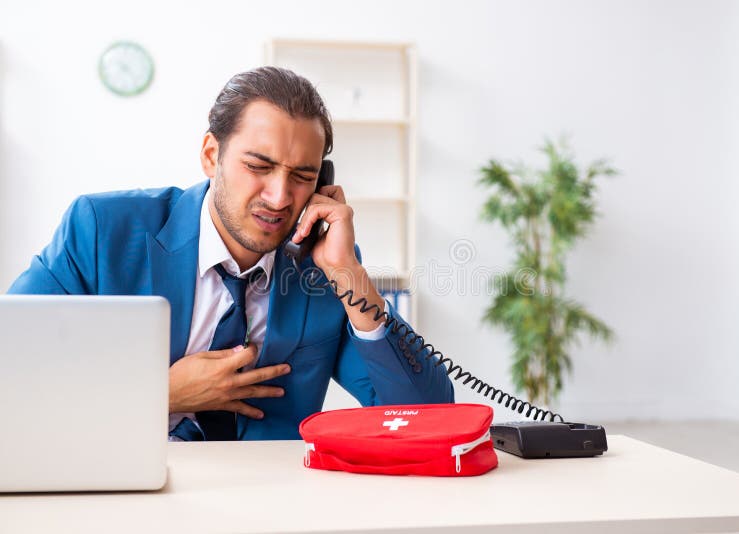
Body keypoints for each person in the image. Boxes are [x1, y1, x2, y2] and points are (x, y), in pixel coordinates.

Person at [7, 66, 454, 441]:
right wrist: (160, 394)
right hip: (117, 486)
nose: (279, 197)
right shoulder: (101, 230)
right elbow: (13, 373)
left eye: (303, 176)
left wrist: (349, 274)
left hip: (266, 500)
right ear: (211, 155)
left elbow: (431, 417)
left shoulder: (325, 266)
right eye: (258, 166)